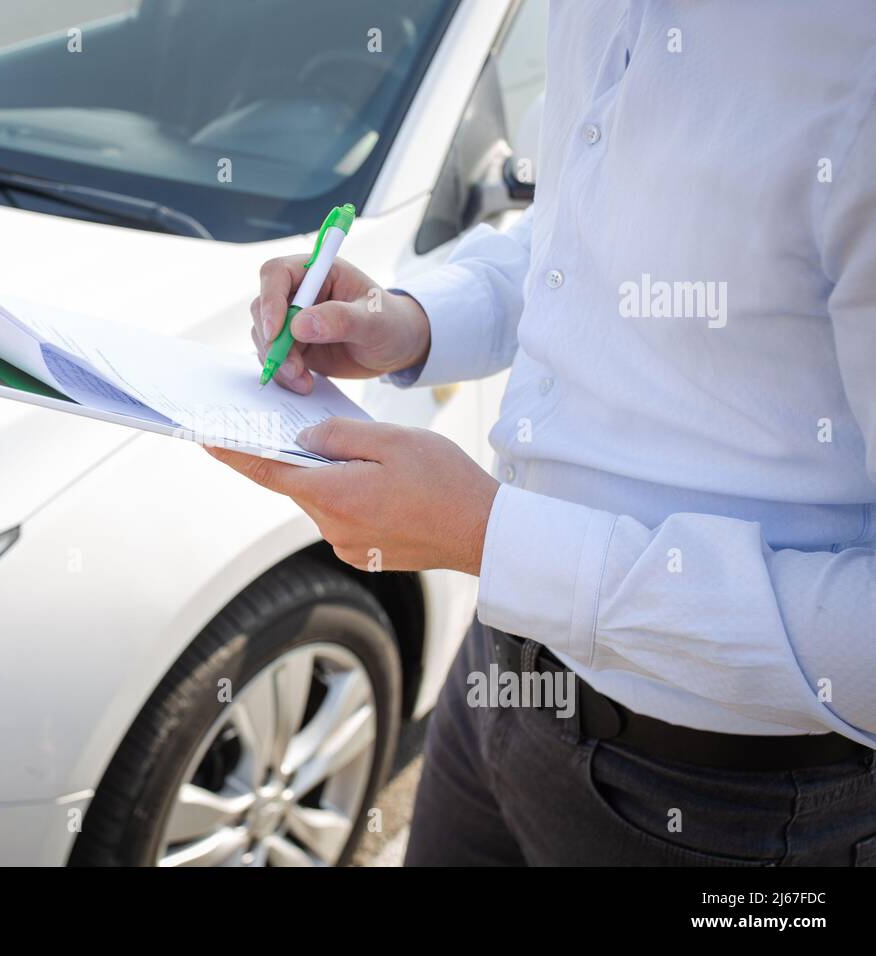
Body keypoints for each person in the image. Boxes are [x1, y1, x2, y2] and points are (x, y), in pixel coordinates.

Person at [206, 1, 876, 865]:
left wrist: (493, 538)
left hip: (726, 805)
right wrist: (411, 321)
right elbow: (572, 233)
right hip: (495, 679)